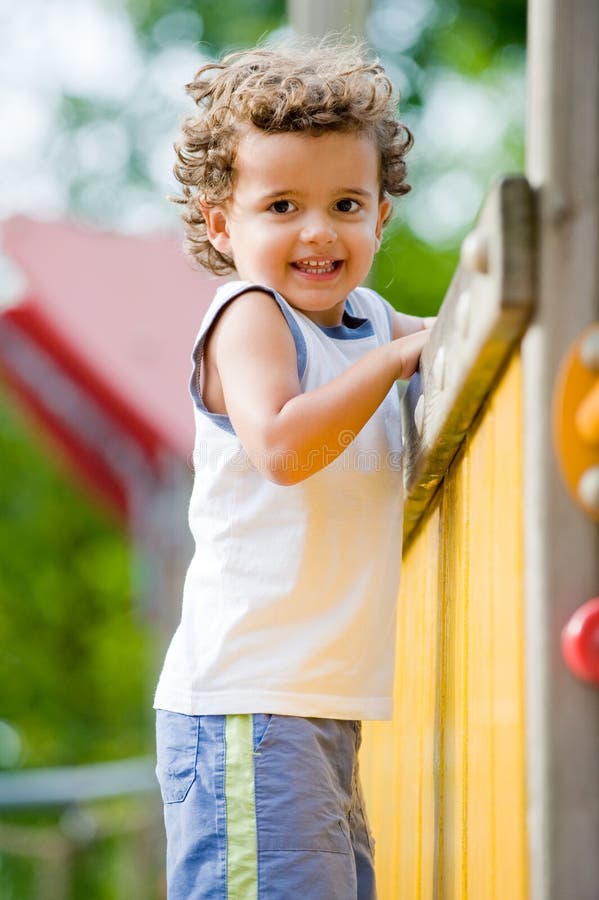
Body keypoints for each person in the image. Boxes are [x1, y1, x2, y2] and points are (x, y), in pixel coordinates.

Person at [153, 37, 434, 900]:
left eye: (346, 203)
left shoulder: (367, 319)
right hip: (248, 702)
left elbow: (461, 338)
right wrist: (391, 365)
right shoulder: (249, 315)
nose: (318, 230)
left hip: (318, 701)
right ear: (221, 223)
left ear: (380, 217)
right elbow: (279, 446)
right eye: (281, 205)